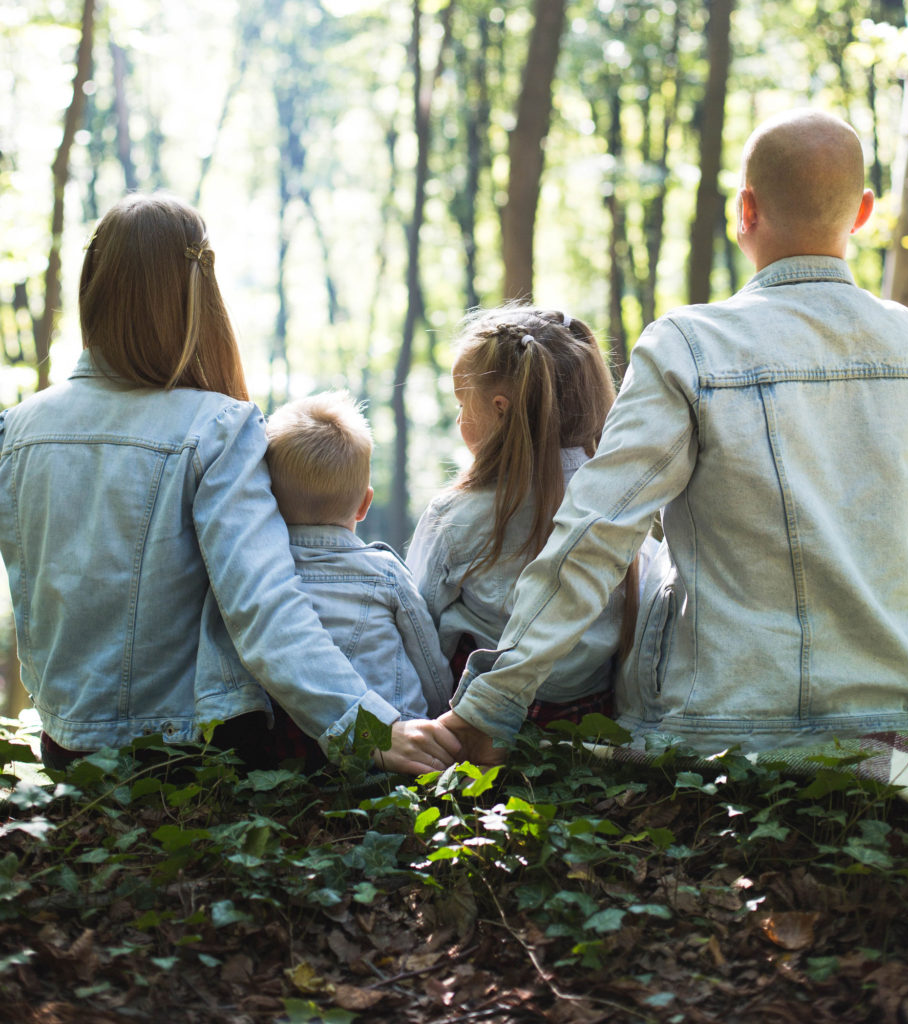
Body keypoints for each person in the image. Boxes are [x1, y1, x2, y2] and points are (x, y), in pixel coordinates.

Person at [439, 109, 908, 762]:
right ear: (864, 213)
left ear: (745, 209)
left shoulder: (688, 346)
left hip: (718, 730)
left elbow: (596, 532)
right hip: (897, 729)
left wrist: (492, 703)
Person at [0, 192, 460, 775]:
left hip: (66, 749)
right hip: (184, 756)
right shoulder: (217, 428)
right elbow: (264, 607)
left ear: (92, 285)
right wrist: (368, 728)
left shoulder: (16, 428)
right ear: (198, 295)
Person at [406, 306, 655, 726]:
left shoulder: (455, 515)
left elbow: (418, 628)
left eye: (462, 404)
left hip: (476, 723)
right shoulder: (624, 505)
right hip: (590, 722)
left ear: (500, 409)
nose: (459, 418)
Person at [264, 389, 452, 721]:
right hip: (395, 733)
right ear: (365, 504)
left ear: (268, 500)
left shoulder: (260, 575)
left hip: (295, 738)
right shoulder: (385, 574)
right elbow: (429, 664)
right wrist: (441, 713)